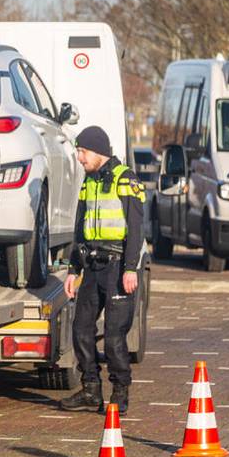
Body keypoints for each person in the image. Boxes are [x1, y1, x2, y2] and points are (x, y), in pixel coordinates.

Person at [59, 126, 147, 414]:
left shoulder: (126, 179)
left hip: (118, 267)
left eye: (83, 152)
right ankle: (91, 390)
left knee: (114, 336)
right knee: (81, 330)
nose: (79, 158)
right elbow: (80, 228)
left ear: (97, 151)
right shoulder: (89, 182)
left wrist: (131, 268)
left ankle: (120, 392)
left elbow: (136, 227)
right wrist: (73, 269)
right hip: (92, 266)